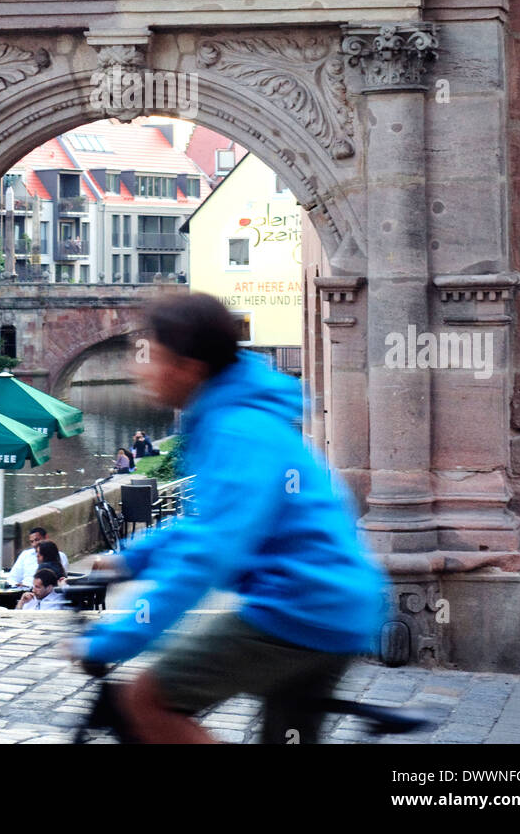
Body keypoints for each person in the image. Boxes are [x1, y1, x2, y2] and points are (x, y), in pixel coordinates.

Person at [71, 292, 389, 746]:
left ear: (189, 368)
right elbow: (209, 522)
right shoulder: (231, 416)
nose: (139, 369)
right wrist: (130, 560)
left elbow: (208, 553)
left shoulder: (237, 430)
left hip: (299, 606)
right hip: (330, 602)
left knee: (146, 702)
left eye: (150, 356)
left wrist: (114, 640)